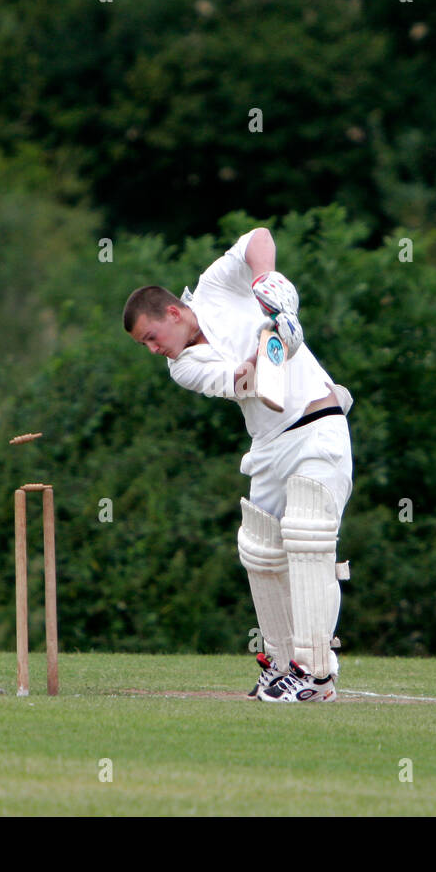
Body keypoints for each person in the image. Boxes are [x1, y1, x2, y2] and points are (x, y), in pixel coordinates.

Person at [123, 227, 354, 703]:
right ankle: (282, 661)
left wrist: (266, 284)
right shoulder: (182, 366)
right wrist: (273, 344)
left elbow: (258, 238)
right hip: (268, 444)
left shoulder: (214, 287)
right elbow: (243, 380)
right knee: (261, 548)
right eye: (143, 345)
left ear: (172, 312)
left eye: (152, 336)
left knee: (308, 537)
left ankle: (315, 675)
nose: (153, 349)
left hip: (317, 423)